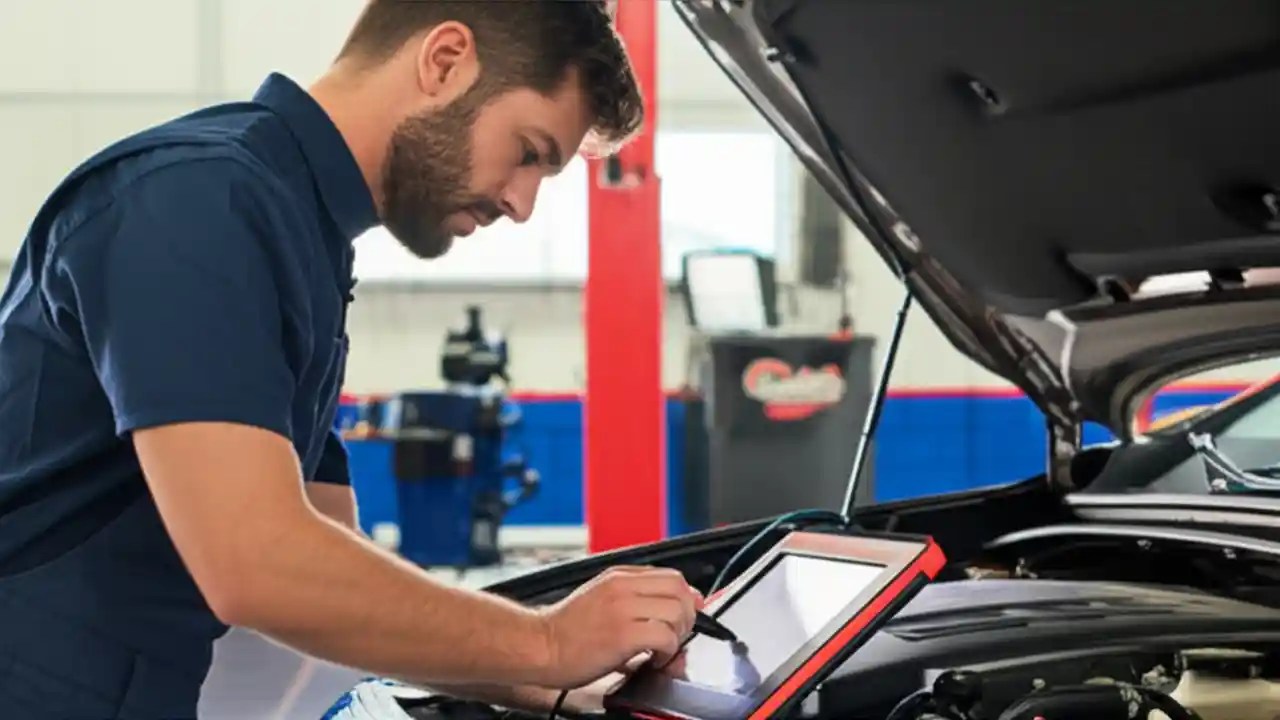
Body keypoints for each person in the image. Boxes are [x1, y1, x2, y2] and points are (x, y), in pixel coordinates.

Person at [0, 1, 700, 717]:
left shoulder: (300, 234)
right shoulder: (199, 199)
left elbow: (332, 561)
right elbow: (260, 561)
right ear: (445, 61)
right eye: (528, 151)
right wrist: (547, 641)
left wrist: (556, 688)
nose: (522, 204)